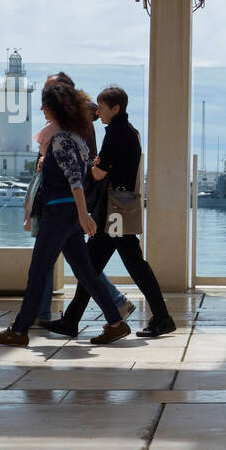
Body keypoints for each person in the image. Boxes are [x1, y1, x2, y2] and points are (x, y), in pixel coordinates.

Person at [0, 83, 129, 347]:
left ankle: (19, 331)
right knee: (86, 273)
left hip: (60, 213)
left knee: (39, 270)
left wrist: (84, 215)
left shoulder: (62, 138)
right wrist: (81, 214)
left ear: (58, 109)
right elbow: (83, 174)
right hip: (69, 214)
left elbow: (76, 180)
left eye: (46, 106)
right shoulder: (75, 137)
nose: (41, 109)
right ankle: (116, 322)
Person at [46, 86, 176, 338]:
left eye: (102, 107)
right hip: (118, 208)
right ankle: (71, 320)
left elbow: (98, 173)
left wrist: (91, 166)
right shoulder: (130, 132)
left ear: (115, 108)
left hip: (115, 210)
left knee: (133, 265)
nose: (98, 111)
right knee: (91, 266)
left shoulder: (116, 133)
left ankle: (162, 318)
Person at [27, 73, 134, 328]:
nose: (44, 101)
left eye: (49, 91)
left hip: (64, 201)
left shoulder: (74, 121)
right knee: (80, 264)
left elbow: (79, 169)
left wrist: (83, 211)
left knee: (49, 261)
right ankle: (113, 312)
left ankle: (31, 318)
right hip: (64, 200)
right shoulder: (76, 118)